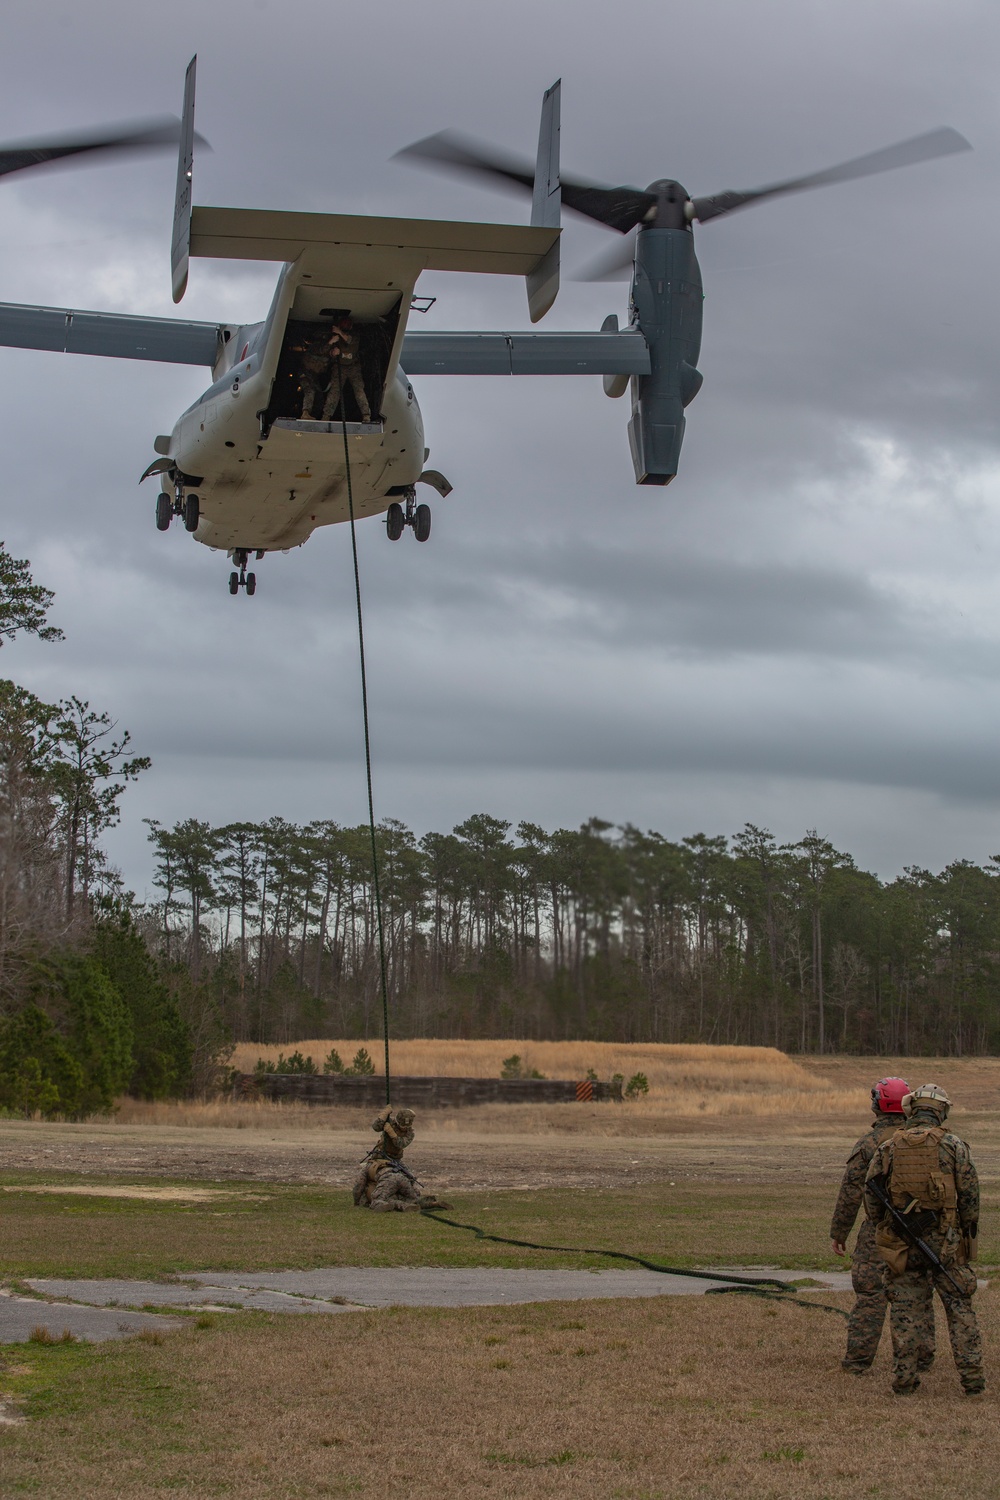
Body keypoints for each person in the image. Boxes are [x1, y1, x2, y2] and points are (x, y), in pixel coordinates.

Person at [864, 1083, 984, 1396]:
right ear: (941, 1111)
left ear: (912, 1110)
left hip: (904, 1246)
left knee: (906, 1314)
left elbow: (872, 1196)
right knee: (960, 1308)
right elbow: (970, 1192)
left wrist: (886, 1225)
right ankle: (972, 1380)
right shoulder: (954, 1145)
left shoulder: (888, 1147)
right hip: (946, 1246)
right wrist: (967, 1227)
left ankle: (905, 1381)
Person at [830, 1076, 923, 1375]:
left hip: (878, 1231)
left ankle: (858, 1360)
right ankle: (921, 1358)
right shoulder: (923, 1138)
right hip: (920, 1231)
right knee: (916, 1295)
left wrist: (839, 1232)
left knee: (871, 1294)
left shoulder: (870, 1143)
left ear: (878, 1104)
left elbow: (850, 1192)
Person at [352, 1105, 448, 1213]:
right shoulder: (390, 1123)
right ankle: (415, 1202)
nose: (404, 1128)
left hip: (395, 1160)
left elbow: (401, 1144)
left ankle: (416, 1199)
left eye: (406, 1126)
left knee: (410, 1179)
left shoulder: (410, 1133)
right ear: (398, 1121)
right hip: (380, 1157)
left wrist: (391, 1133)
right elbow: (376, 1127)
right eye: (402, 1125)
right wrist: (383, 1115)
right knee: (360, 1180)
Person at [320, 316, 372, 423]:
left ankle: (366, 415)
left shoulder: (355, 336)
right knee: (334, 392)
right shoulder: (335, 338)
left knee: (359, 391)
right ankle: (326, 416)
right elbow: (324, 352)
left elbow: (350, 341)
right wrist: (332, 352)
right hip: (340, 368)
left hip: (353, 367)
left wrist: (339, 332)